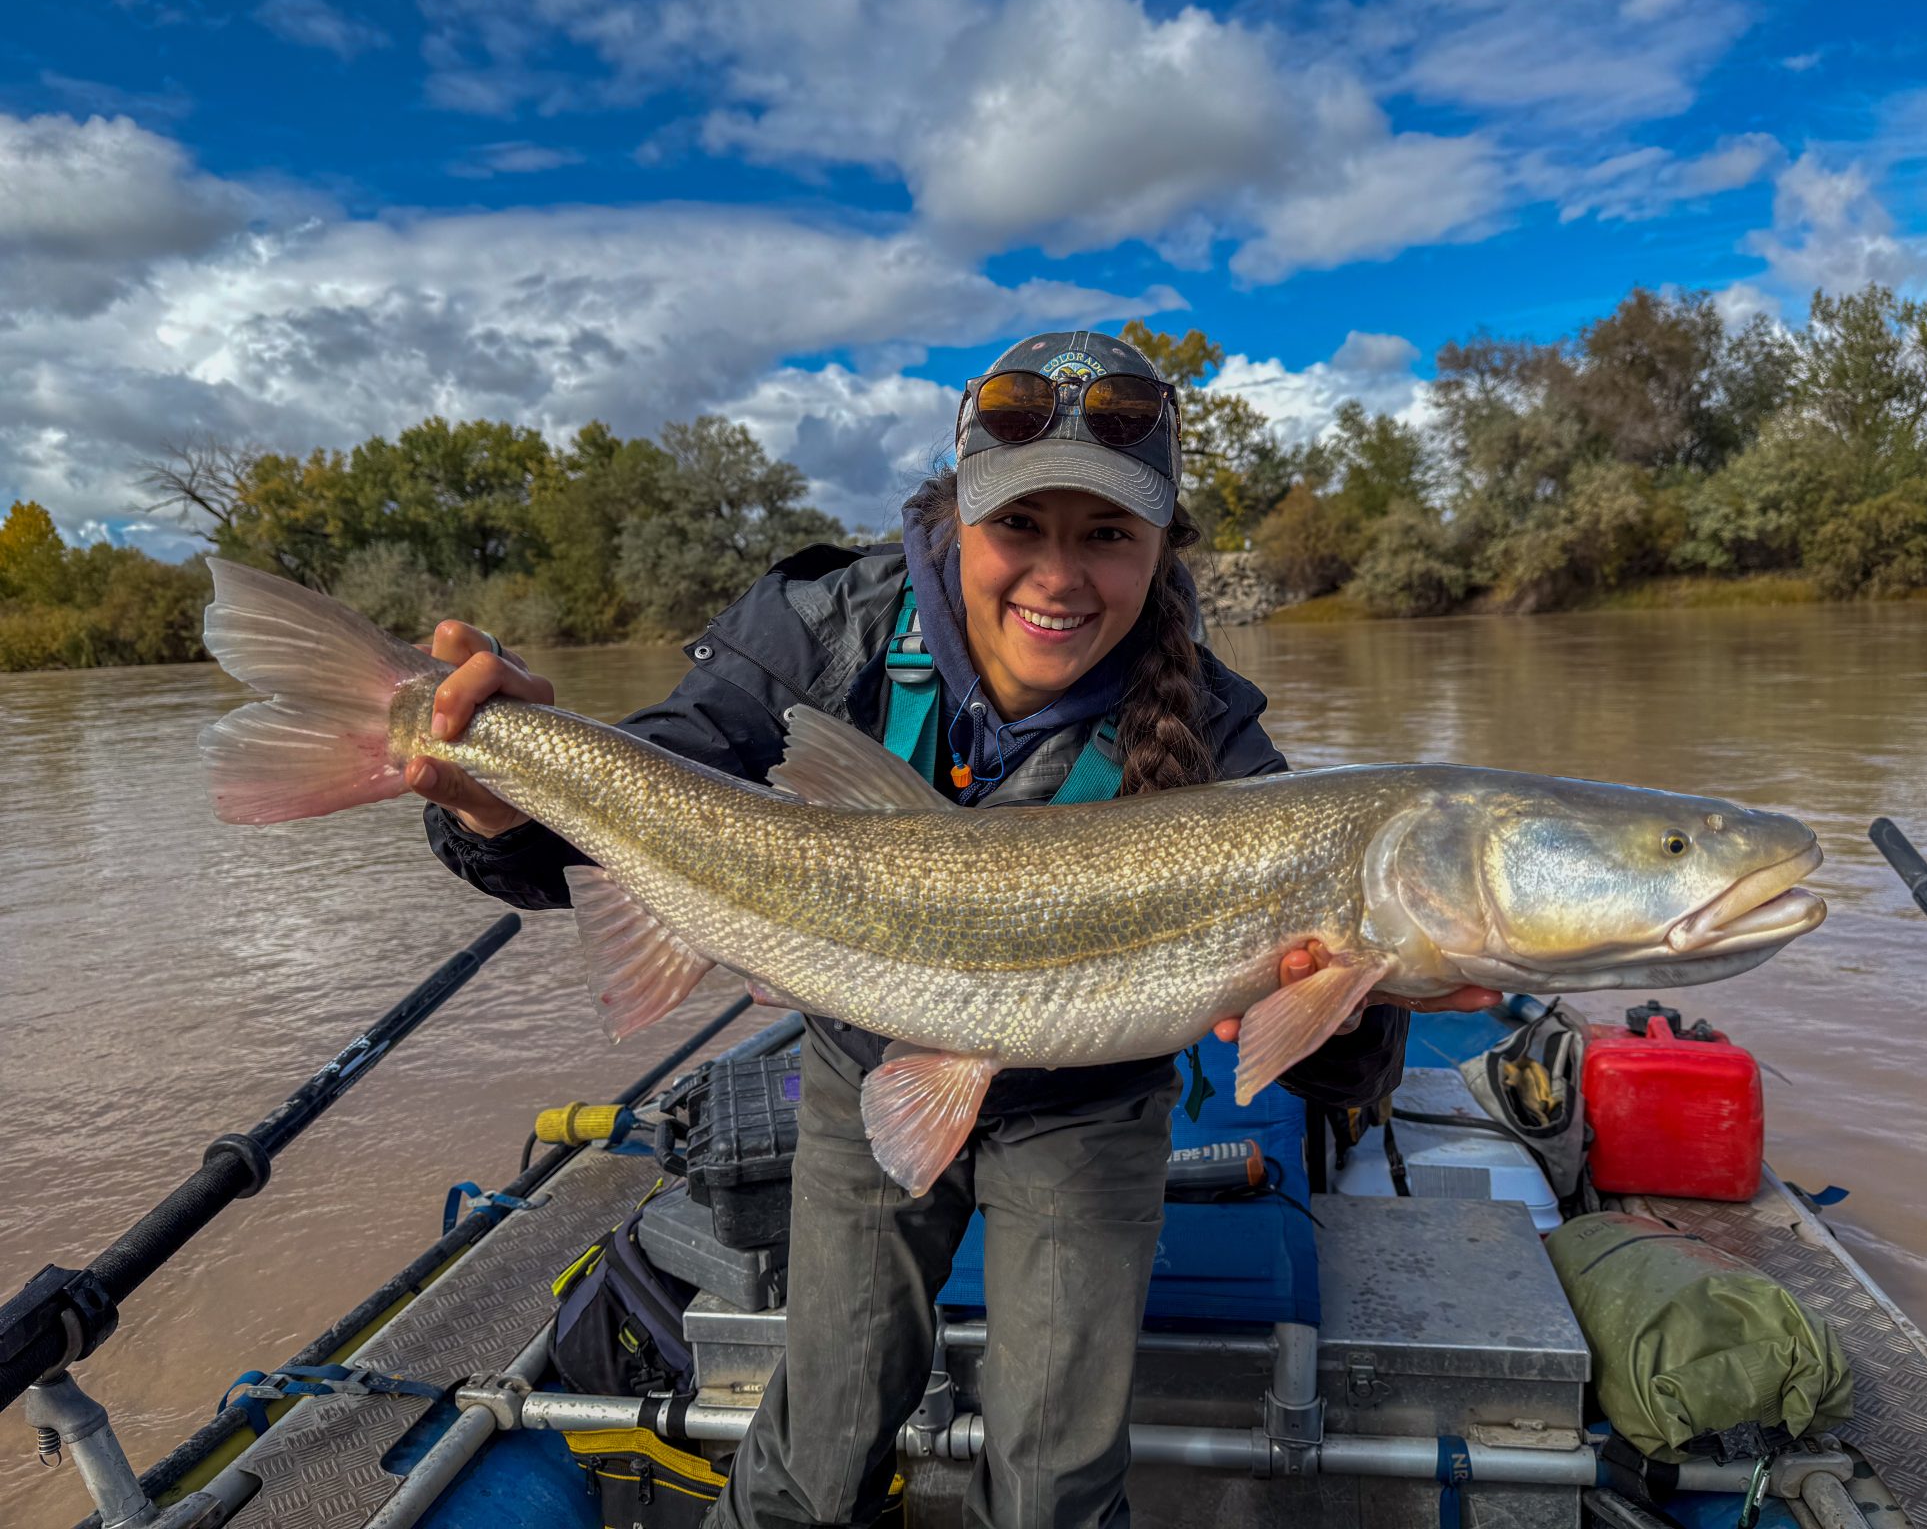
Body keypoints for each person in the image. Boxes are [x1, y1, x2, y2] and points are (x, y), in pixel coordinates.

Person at [410, 330, 1500, 1528]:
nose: (1059, 575)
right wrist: (495, 794)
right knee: (820, 1427)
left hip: (1092, 1105)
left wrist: (1364, 997)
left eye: (1106, 536)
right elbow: (641, 797)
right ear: (955, 513)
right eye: (1020, 527)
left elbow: (1325, 1067)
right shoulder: (826, 623)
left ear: (1156, 549)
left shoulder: (1221, 738)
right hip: (861, 1052)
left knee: (1055, 1473)